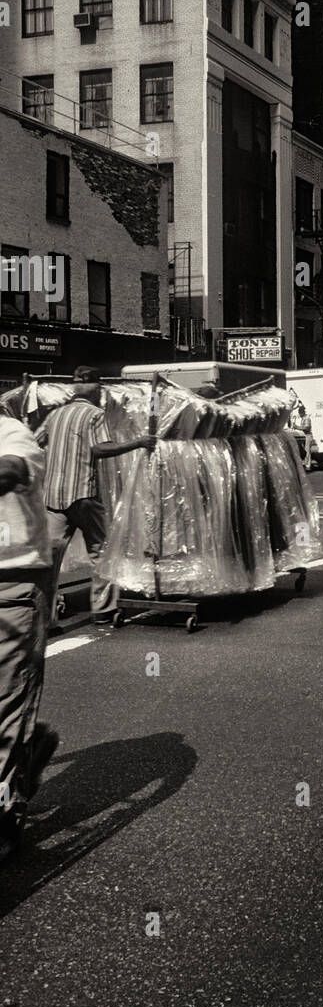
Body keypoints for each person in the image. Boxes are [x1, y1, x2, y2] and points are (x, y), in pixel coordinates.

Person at [38, 367, 154, 624]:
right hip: (84, 495)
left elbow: (35, 442)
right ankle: (102, 610)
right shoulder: (94, 414)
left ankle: (45, 617)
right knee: (101, 553)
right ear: (95, 388)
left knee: (49, 558)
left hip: (53, 497)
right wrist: (137, 443)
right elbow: (100, 448)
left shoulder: (55, 415)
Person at [0, 413, 58, 863]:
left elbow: (16, 468)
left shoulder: (12, 433)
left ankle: (8, 792)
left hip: (12, 585)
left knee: (5, 697)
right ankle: (27, 754)